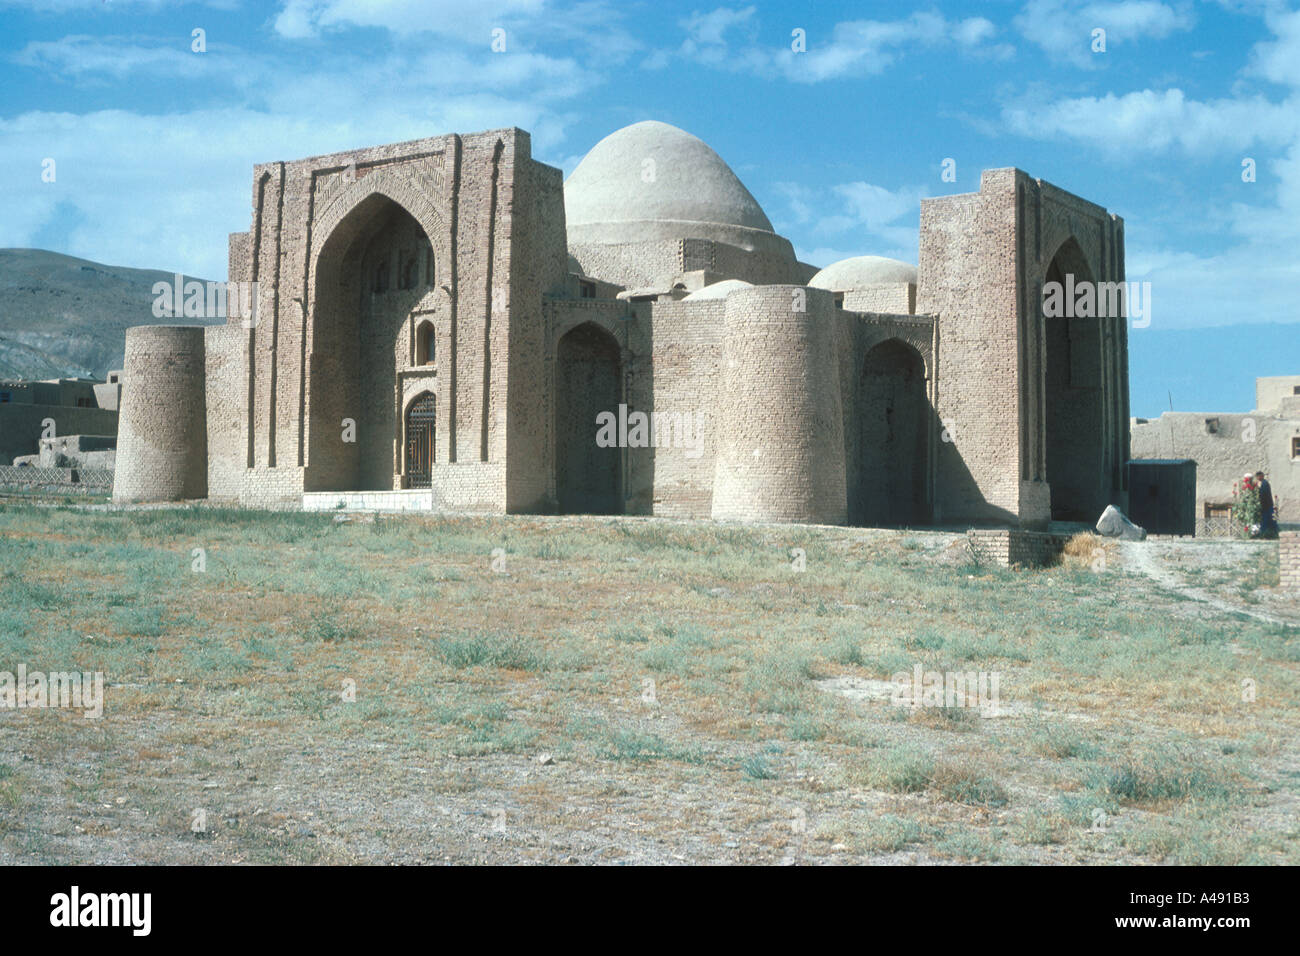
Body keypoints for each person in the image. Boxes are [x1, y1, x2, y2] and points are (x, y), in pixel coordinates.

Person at [1256, 471, 1279, 539]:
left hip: (1266, 506)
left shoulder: (1264, 484)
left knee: (1267, 521)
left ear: (1261, 476)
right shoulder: (1263, 483)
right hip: (1267, 505)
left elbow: (1263, 495)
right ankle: (1271, 534)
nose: (1257, 478)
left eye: (1258, 476)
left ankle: (1267, 534)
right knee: (1269, 521)